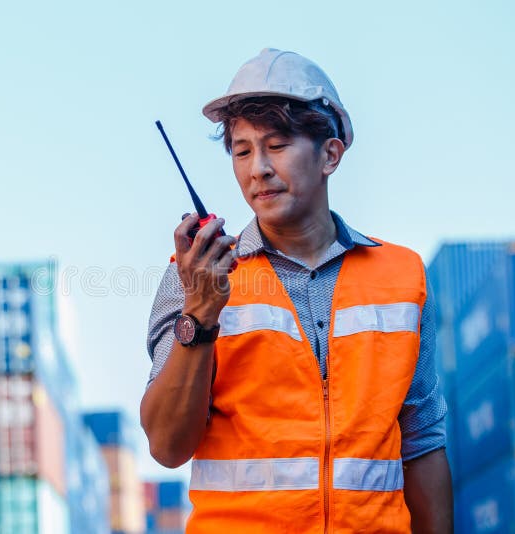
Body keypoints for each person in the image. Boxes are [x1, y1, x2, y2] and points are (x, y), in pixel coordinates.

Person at [140, 48, 452, 533]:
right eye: (241, 151)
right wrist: (200, 312)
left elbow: (423, 443)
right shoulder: (193, 274)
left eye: (278, 145)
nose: (257, 168)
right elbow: (166, 446)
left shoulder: (402, 276)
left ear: (330, 153)